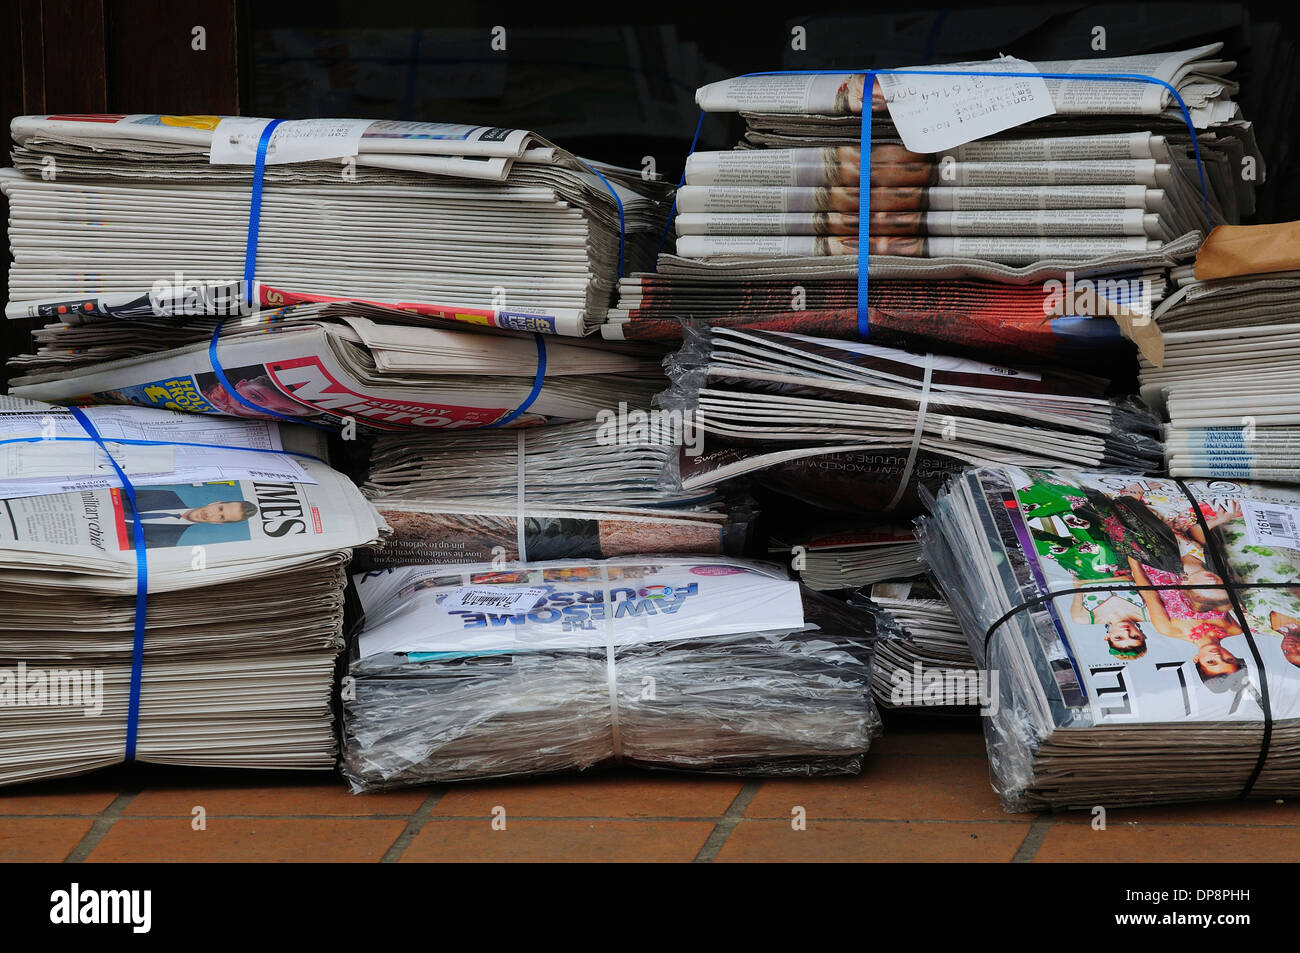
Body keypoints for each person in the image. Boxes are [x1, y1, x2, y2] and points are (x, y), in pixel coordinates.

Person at [120, 487, 258, 549]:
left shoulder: (167, 541)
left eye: (221, 517)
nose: (210, 515)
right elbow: (117, 493)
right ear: (215, 503)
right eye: (219, 509)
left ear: (218, 523)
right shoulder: (166, 495)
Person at [1069, 589, 1150, 659]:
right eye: (1134, 637)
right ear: (1143, 635)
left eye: (1118, 637)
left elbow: (1077, 584)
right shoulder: (1150, 613)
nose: (1126, 632)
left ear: (1107, 637)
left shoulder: (1082, 617)